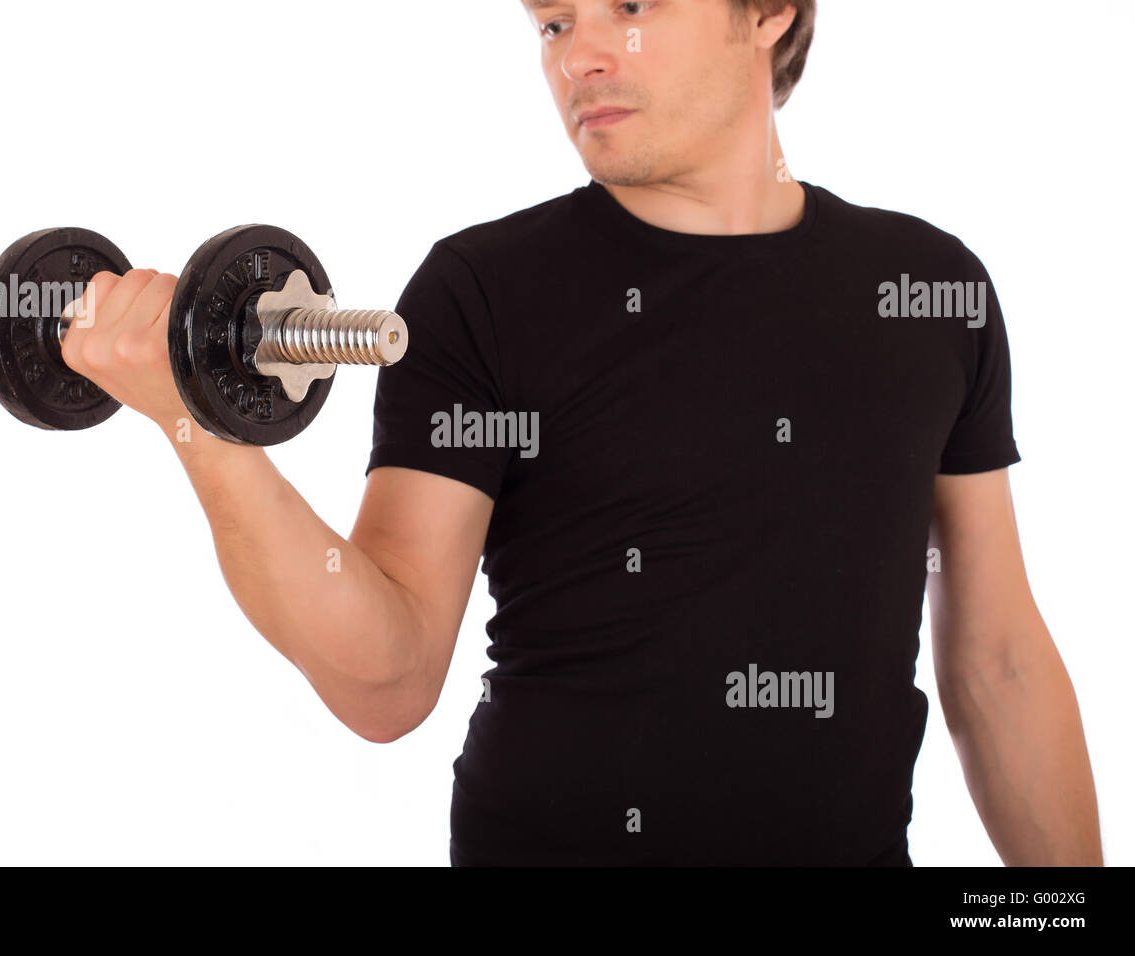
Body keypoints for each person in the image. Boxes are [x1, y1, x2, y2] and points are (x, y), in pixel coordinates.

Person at [59, 0, 1102, 866]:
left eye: (631, 9)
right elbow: (386, 675)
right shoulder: (483, 291)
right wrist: (202, 427)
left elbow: (998, 661)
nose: (580, 57)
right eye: (552, 24)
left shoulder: (926, 289)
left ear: (769, 14)